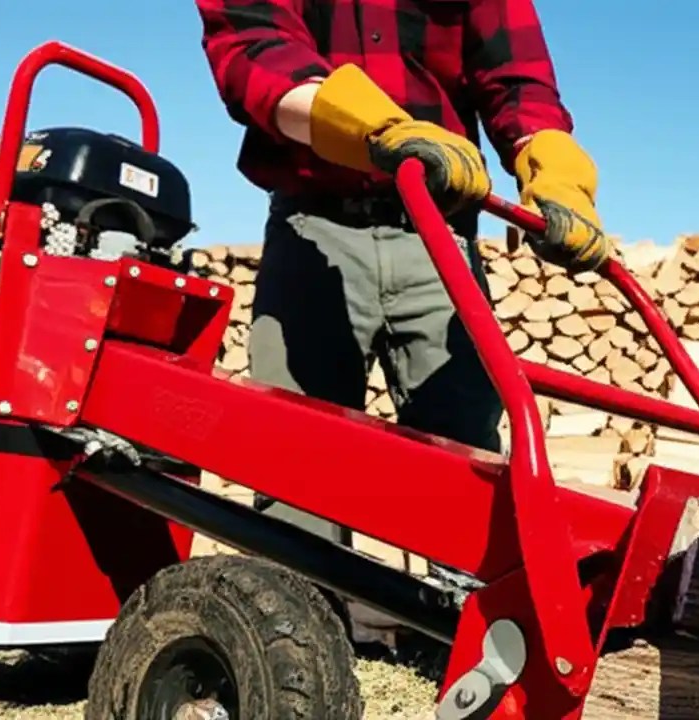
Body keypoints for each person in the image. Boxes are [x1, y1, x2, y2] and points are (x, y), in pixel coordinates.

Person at [194, 1, 609, 549]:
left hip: (437, 231)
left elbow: (516, 77)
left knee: (469, 469)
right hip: (315, 226)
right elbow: (252, 48)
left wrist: (553, 163)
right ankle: (295, 623)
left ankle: (460, 626)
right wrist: (366, 127)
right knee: (294, 466)